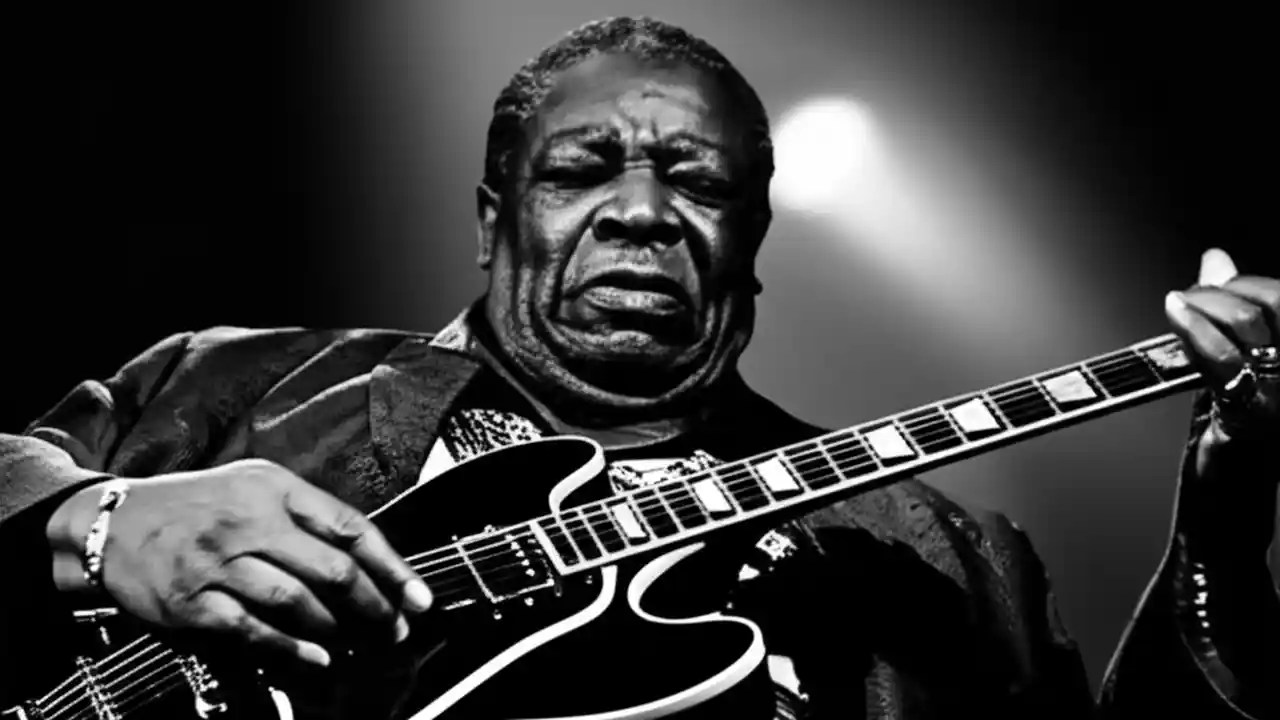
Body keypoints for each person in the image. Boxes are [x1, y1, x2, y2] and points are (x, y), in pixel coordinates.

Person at [1, 15, 1276, 720]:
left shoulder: (936, 555)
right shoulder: (243, 386)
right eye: (578, 170)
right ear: (494, 217)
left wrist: (1223, 519)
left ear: (753, 241)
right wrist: (90, 518)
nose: (640, 213)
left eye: (699, 183)